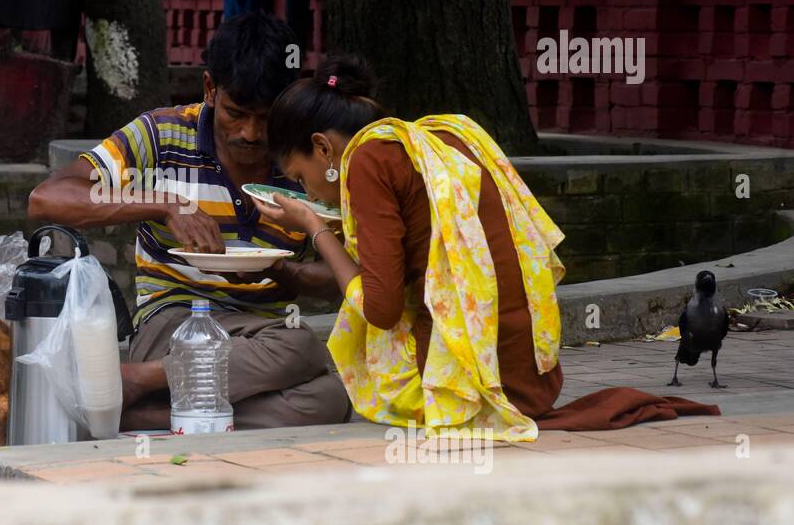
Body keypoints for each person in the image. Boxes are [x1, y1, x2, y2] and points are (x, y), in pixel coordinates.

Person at [260, 56, 721, 440]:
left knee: (365, 342)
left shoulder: (365, 160)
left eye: (301, 179)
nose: (313, 195)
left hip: (474, 389)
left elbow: (380, 309)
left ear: (323, 148)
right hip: (533, 377)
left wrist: (314, 229)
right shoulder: (445, 132)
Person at [28, 12, 352, 431]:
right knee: (304, 351)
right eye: (236, 113)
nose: (251, 134)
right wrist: (163, 204)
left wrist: (285, 271)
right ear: (210, 88)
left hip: (263, 335)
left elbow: (342, 279)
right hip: (173, 322)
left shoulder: (302, 158)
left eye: (265, 118)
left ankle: (142, 405)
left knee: (329, 393)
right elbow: (46, 199)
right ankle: (156, 384)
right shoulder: (162, 135)